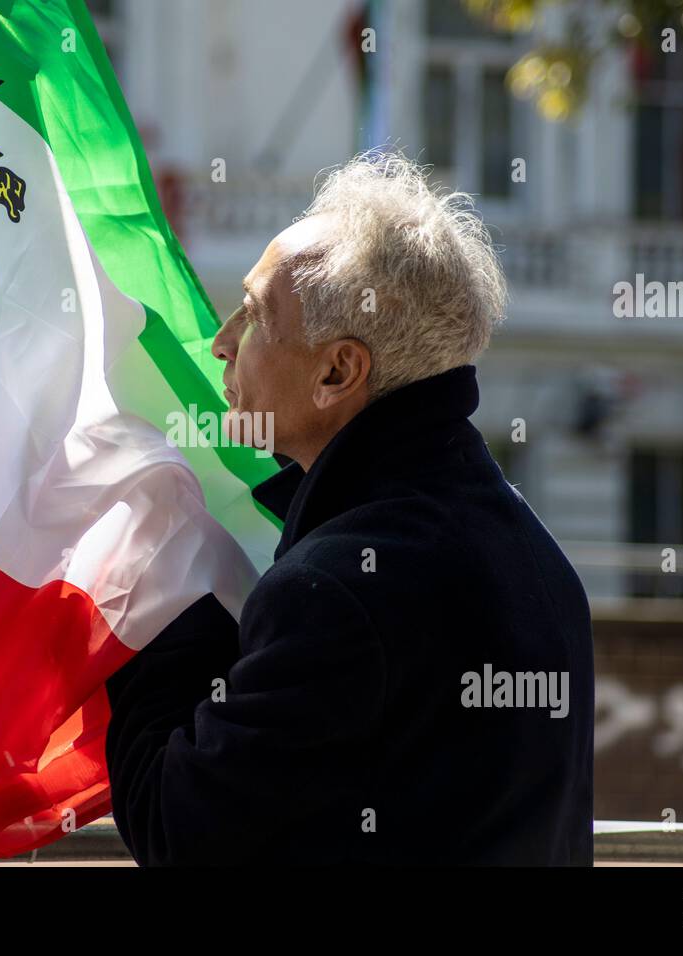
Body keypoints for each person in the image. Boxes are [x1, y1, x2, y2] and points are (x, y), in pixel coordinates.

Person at [104, 150, 594, 865]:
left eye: (255, 316)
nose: (222, 343)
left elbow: (180, 830)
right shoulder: (537, 552)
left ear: (338, 372)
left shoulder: (334, 592)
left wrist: (164, 587)